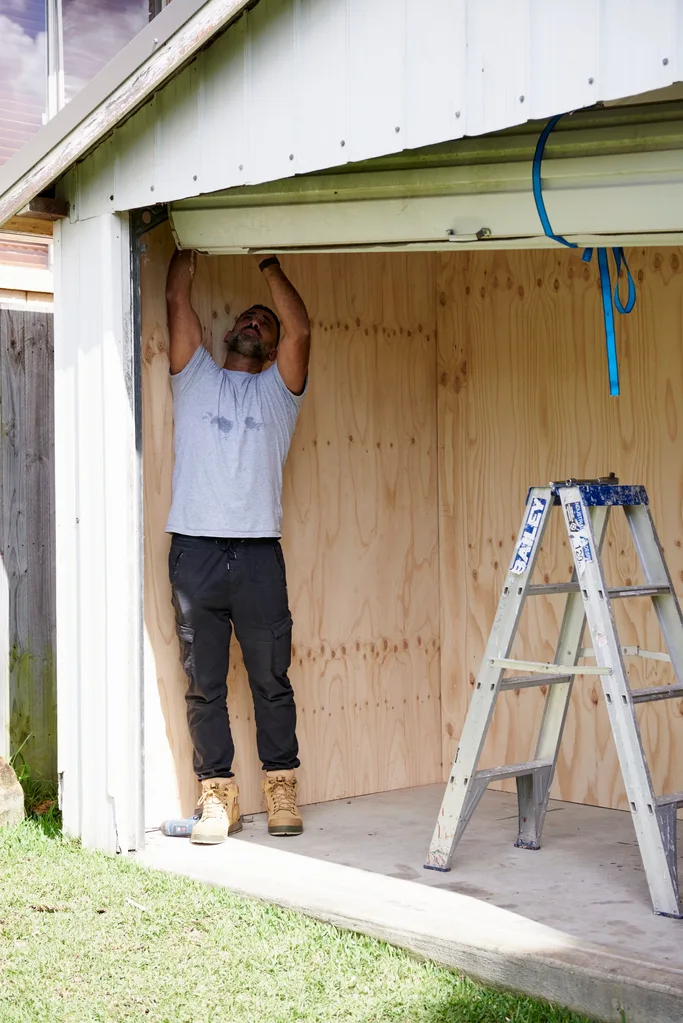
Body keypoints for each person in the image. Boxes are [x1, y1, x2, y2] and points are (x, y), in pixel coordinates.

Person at [165, 249, 310, 845]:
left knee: (271, 677)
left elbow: (301, 326)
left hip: (257, 555)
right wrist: (185, 249)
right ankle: (217, 796)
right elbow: (177, 302)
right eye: (247, 318)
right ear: (227, 334)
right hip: (195, 551)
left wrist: (268, 264)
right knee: (204, 681)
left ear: (273, 350)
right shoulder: (194, 376)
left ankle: (281, 789)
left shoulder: (280, 395)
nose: (255, 323)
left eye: (264, 323)